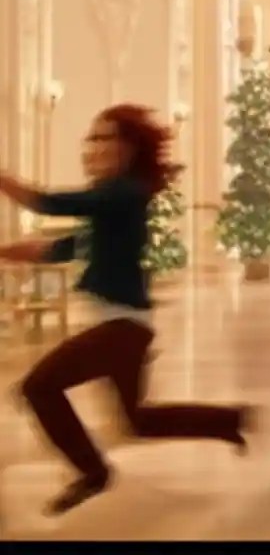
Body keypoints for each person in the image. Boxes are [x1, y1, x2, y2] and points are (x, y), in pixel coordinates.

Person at [0, 104, 255, 516]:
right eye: (91, 138)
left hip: (119, 329)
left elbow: (47, 204)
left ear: (129, 147)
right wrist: (11, 252)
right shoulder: (112, 203)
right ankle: (228, 421)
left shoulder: (124, 192)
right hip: (125, 329)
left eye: (104, 138)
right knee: (138, 422)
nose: (93, 147)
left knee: (37, 387)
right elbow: (61, 248)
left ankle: (93, 472)